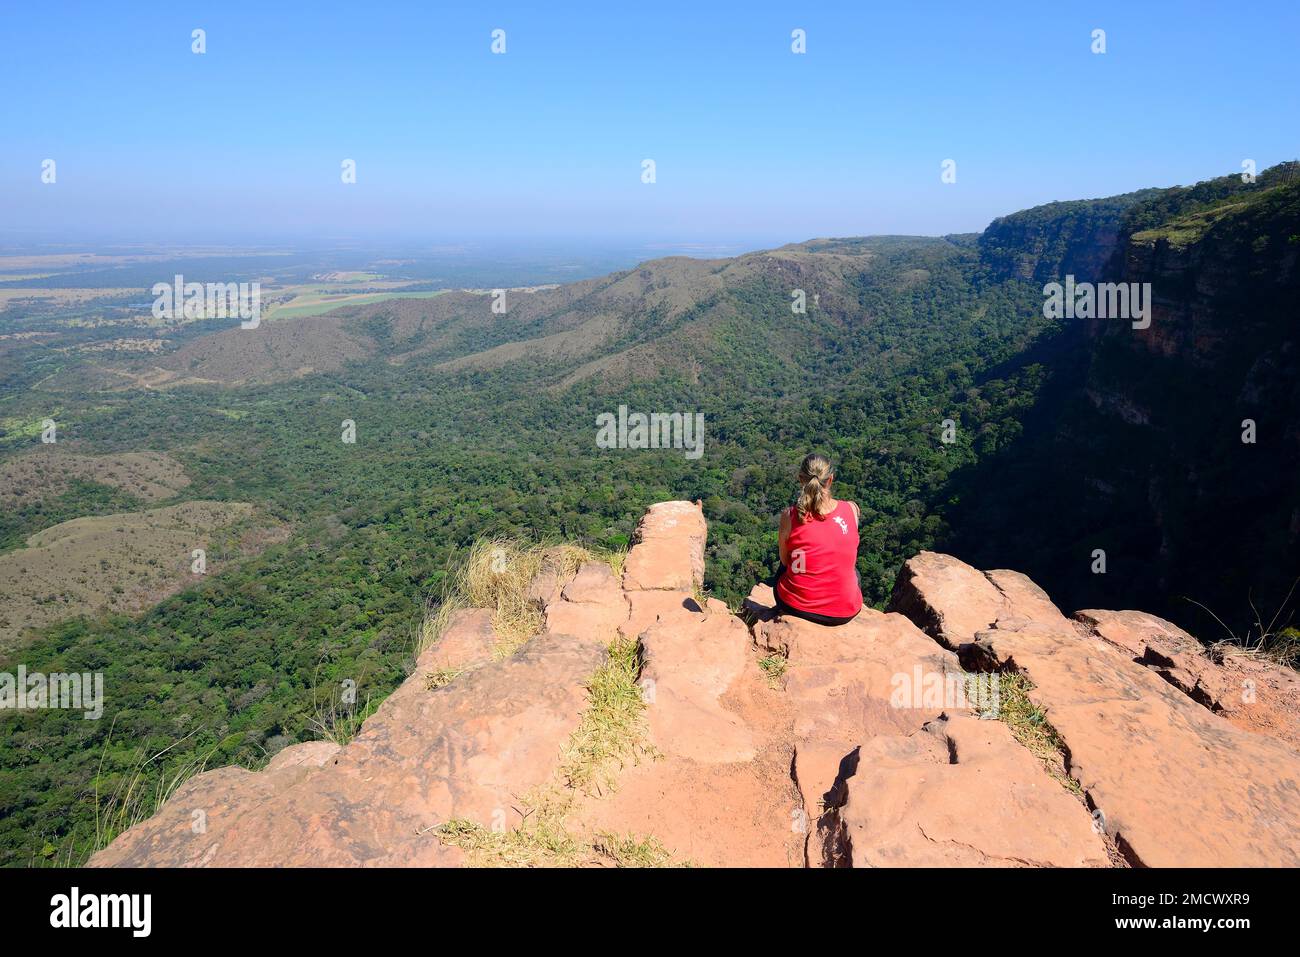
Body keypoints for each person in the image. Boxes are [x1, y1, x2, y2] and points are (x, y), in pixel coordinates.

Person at [773, 453, 863, 625]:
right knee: (854, 571)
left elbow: (784, 560)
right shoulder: (851, 510)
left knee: (784, 567)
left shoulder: (790, 516)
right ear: (830, 480)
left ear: (801, 479)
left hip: (796, 607)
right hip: (845, 612)